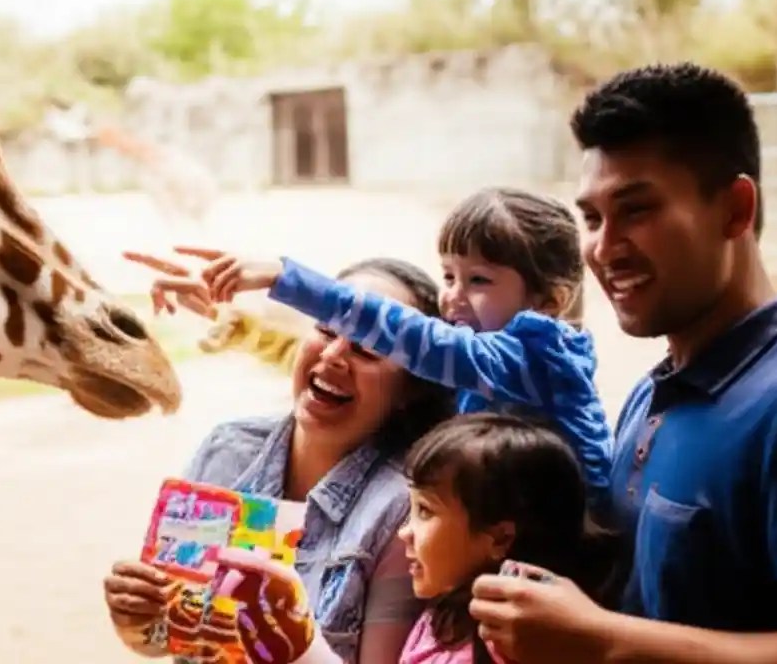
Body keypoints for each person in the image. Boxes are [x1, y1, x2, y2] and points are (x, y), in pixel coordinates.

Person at [466, 62, 777, 663]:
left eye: (637, 210)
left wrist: (605, 643)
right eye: (591, 218)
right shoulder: (657, 389)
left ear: (735, 210)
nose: (604, 248)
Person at [127, 187, 613, 512]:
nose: (454, 295)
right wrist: (226, 312)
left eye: (478, 280)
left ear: (550, 303)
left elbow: (415, 340)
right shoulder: (231, 448)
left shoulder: (537, 355)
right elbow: (337, 350)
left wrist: (282, 276)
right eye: (448, 276)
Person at [102, 257, 454, 663]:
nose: (335, 355)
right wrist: (138, 622)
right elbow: (165, 637)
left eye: (368, 349)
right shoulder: (228, 449)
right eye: (326, 328)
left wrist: (293, 645)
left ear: (409, 389)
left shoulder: (404, 511)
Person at [199, 411, 620, 664]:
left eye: (425, 512)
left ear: (499, 538)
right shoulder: (444, 620)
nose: (405, 532)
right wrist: (298, 635)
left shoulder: (507, 648)